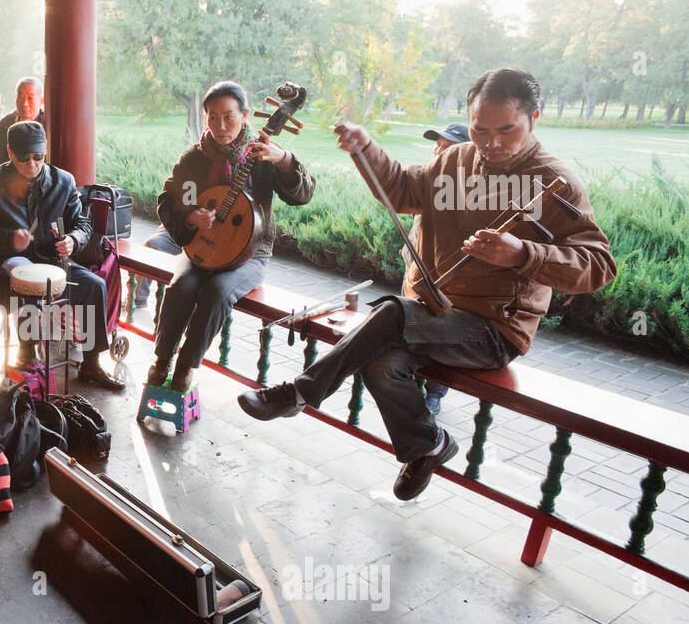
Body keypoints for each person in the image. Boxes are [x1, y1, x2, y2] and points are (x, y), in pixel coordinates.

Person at [239, 68, 617, 500]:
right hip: (433, 314)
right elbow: (400, 190)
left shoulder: (555, 182)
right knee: (380, 363)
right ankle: (429, 445)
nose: (490, 143)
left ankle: (300, 393)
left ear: (535, 118)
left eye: (506, 130)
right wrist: (366, 149)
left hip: (493, 330)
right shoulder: (455, 161)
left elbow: (598, 266)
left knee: (393, 311)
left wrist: (522, 255)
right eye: (479, 129)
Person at [150, 81, 315, 393]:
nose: (220, 126)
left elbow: (303, 195)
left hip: (249, 255)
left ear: (245, 115)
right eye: (212, 117)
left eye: (228, 116)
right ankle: (162, 360)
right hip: (203, 246)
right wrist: (190, 215)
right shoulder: (195, 159)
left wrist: (284, 159)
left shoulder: (264, 156)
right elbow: (169, 199)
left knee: (218, 291)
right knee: (181, 286)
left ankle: (186, 365)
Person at [0, 121, 124, 390]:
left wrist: (73, 239)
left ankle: (91, 362)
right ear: (10, 153)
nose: (32, 165)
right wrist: (10, 237)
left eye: (38, 157)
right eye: (24, 158)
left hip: (53, 262)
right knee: (27, 280)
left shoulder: (63, 181)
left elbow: (83, 224)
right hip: (9, 264)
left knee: (94, 286)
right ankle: (27, 354)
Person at [413, 122, 469, 415]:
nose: (437, 151)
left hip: (449, 278)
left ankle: (434, 392)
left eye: (446, 148)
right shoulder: (430, 177)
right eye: (437, 145)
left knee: (441, 328)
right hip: (418, 270)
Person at [0, 77, 44, 169]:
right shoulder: (3, 126)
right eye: (20, 97)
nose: (24, 103)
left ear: (42, 101)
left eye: (30, 98)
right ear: (15, 97)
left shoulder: (49, 126)